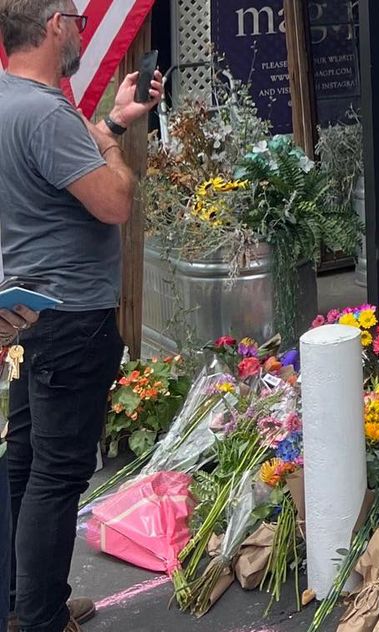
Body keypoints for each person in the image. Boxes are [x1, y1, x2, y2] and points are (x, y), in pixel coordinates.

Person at [0, 1, 162, 630]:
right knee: (58, 473)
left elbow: (60, 169)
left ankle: (22, 602)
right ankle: (39, 618)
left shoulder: (12, 98)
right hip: (70, 316)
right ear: (52, 25)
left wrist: (112, 125)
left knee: (26, 461)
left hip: (25, 313)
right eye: (75, 15)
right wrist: (111, 151)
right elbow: (114, 201)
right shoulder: (45, 111)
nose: (81, 27)